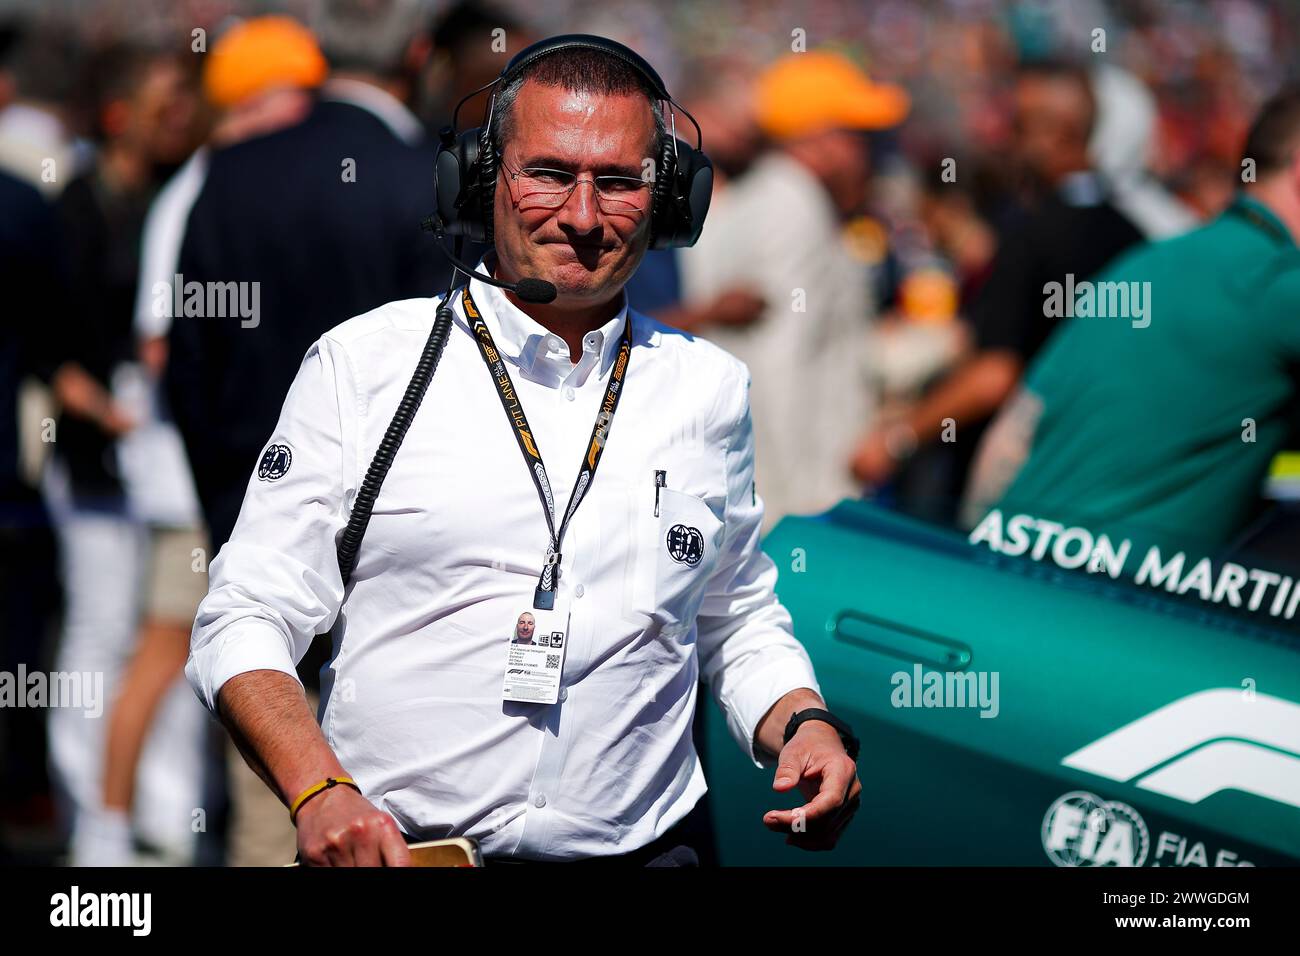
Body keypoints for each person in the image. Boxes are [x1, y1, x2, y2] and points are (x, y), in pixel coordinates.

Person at [186, 35, 861, 866]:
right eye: (547, 173)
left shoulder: (708, 389)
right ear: (477, 181)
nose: (582, 216)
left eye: (617, 182)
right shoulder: (364, 366)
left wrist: (803, 722)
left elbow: (735, 613)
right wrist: (320, 791)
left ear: (670, 201)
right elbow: (245, 614)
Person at [962, 89, 1300, 559]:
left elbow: (1012, 437)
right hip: (1105, 614)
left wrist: (973, 558)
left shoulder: (1143, 262)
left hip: (996, 578)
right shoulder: (1279, 284)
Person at [41, 42, 206, 865]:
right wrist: (108, 412)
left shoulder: (172, 198)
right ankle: (93, 818)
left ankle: (159, 815)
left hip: (155, 461)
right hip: (102, 464)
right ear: (119, 113)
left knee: (166, 646)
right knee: (106, 634)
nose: (181, 116)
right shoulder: (76, 208)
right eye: (163, 101)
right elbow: (52, 344)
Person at [851, 61, 1143, 495]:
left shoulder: (1033, 232)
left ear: (1056, 132)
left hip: (1020, 474)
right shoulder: (1133, 235)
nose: (1008, 139)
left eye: (1019, 125)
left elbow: (997, 373)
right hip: (1096, 466)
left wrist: (897, 439)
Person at [678, 50, 909, 527]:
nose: (867, 153)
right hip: (797, 499)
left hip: (763, 488)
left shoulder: (760, 197)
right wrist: (798, 508)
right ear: (818, 140)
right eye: (856, 136)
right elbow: (782, 367)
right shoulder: (794, 204)